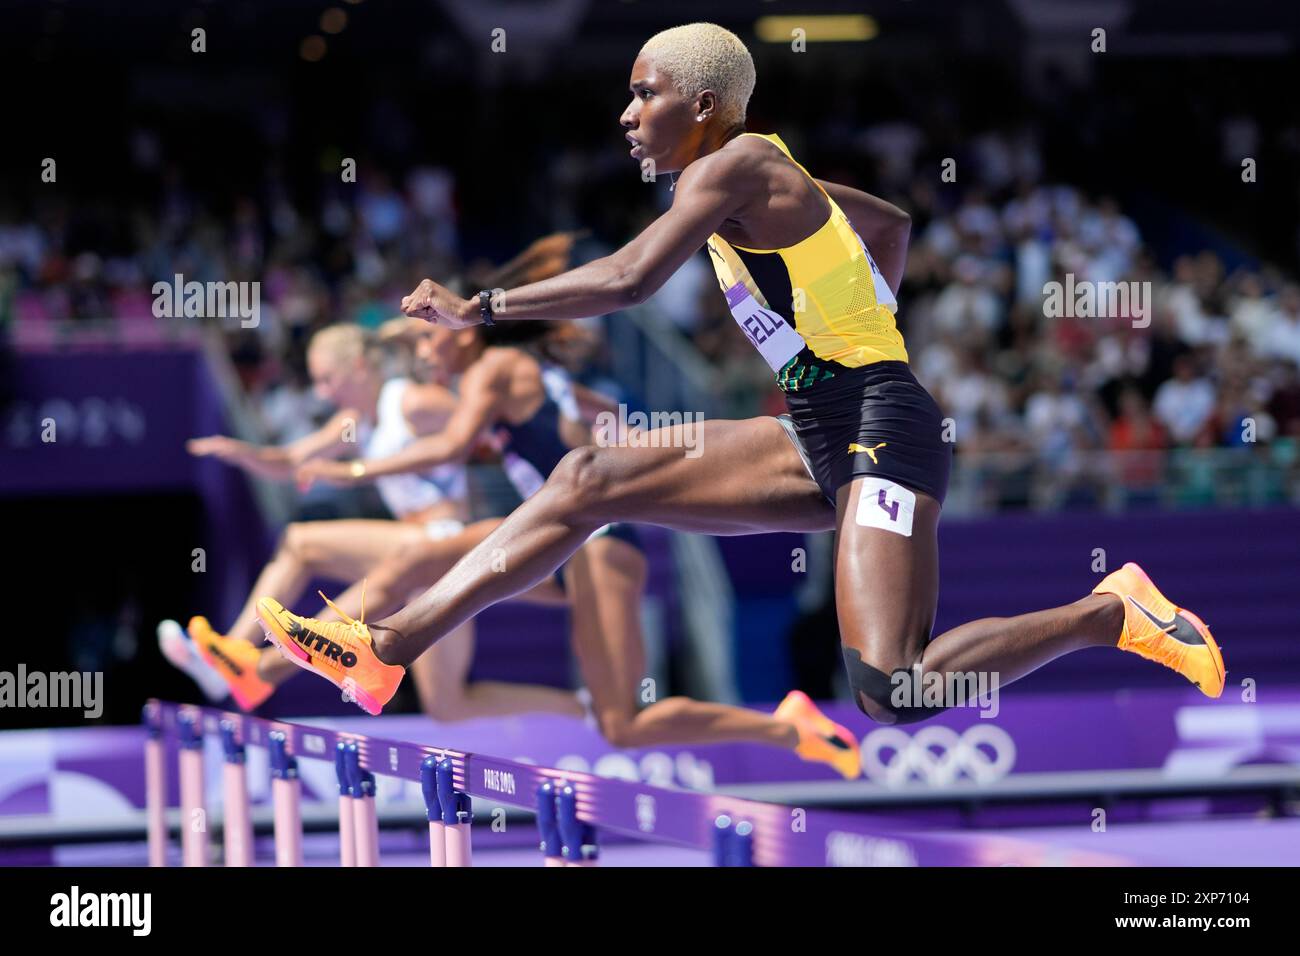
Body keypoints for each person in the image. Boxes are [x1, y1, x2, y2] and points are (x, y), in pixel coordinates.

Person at [258, 22, 1224, 733]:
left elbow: (630, 277)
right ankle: (385, 651)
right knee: (588, 478)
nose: (627, 113)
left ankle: (1111, 613)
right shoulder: (770, 173)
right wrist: (853, 317)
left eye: (646, 94)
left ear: (704, 105)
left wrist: (485, 310)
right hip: (819, 421)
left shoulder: (737, 164)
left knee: (897, 691)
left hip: (884, 425)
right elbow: (891, 224)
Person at [275, 317, 862, 777]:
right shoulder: (529, 373)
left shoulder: (493, 368)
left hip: (596, 539)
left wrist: (353, 472)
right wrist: (630, 449)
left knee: (620, 720)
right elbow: (607, 415)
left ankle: (300, 658)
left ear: (466, 337)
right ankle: (789, 727)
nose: (426, 356)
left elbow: (453, 445)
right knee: (621, 726)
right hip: (569, 537)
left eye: (433, 342)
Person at [161, 321, 579, 721]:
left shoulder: (411, 401)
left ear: (359, 367)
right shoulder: (355, 422)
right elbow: (291, 460)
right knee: (449, 706)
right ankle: (579, 708)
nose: (323, 392)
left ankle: (241, 657)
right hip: (420, 559)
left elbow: (471, 428)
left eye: (327, 379)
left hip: (442, 538)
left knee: (300, 542)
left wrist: (359, 470)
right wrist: (241, 453)